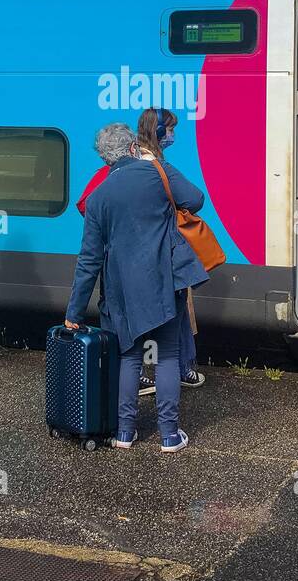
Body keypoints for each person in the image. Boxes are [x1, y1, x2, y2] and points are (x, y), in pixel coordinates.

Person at [64, 123, 208, 452]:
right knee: (167, 356)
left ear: (106, 160)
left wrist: (74, 310)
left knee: (129, 357)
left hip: (120, 291)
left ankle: (125, 433)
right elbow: (195, 199)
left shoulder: (98, 197)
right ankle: (170, 435)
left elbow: (88, 260)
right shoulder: (157, 173)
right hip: (161, 282)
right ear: (133, 148)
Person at [134, 108, 207, 395]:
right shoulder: (161, 168)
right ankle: (182, 370)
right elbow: (195, 198)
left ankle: (136, 375)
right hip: (162, 253)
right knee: (176, 313)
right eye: (171, 130)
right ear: (160, 132)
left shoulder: (127, 163)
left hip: (131, 254)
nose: (173, 135)